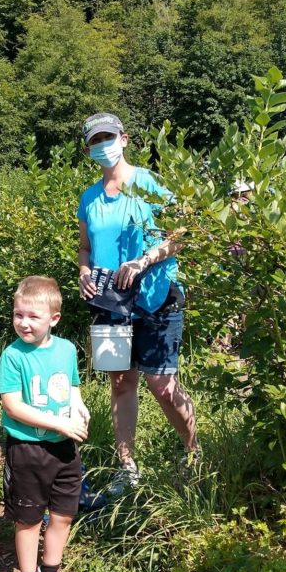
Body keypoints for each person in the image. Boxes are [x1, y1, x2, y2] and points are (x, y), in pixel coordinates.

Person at [77, 112, 199, 496]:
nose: (103, 146)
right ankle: (126, 466)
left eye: (108, 137)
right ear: (88, 149)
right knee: (121, 381)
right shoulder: (89, 198)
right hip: (110, 302)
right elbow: (85, 248)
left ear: (124, 138)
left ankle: (194, 451)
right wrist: (83, 272)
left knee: (161, 383)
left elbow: (180, 235)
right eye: (95, 141)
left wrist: (144, 260)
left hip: (157, 296)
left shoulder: (150, 184)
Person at [0, 276, 90, 572]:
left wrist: (78, 407)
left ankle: (51, 570)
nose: (24, 323)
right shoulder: (13, 357)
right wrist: (59, 424)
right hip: (28, 449)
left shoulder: (64, 349)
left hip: (64, 449)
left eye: (33, 317)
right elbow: (13, 407)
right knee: (29, 517)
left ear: (54, 319)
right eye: (18, 315)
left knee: (63, 514)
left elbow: (73, 384)